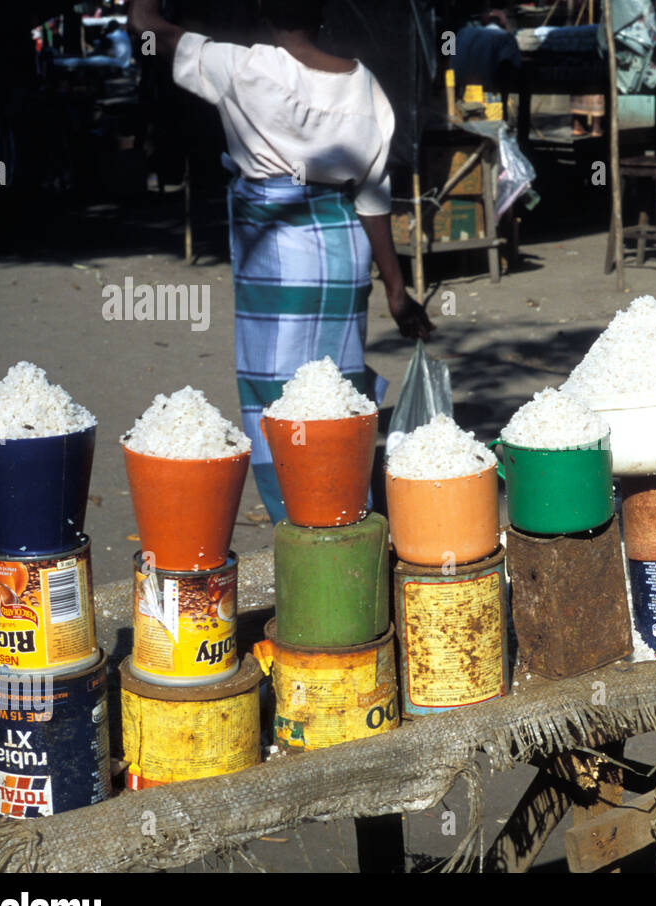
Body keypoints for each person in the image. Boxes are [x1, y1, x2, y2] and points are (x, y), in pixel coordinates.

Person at [128, 0, 433, 523]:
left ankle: (295, 511)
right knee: (332, 384)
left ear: (265, 15)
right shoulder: (365, 86)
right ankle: (341, 504)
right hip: (342, 250)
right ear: (323, 16)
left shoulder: (243, 67)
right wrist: (397, 292)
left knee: (274, 391)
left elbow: (147, 30)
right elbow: (373, 199)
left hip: (274, 250)